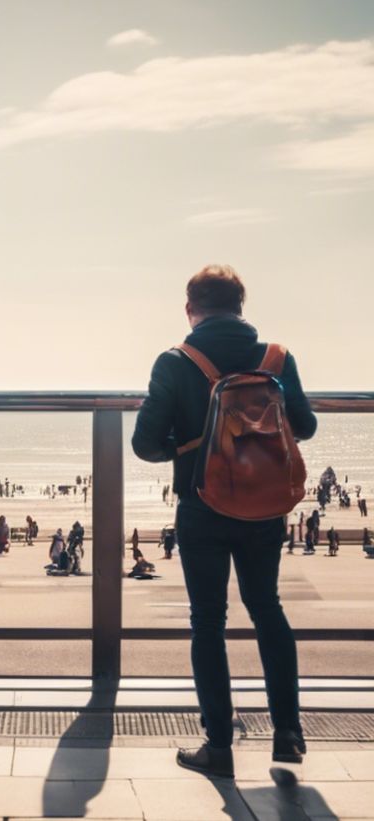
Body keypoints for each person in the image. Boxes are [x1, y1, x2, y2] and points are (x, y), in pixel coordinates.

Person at [132, 265, 316, 778]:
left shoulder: (176, 360)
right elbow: (305, 424)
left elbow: (144, 444)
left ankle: (219, 745)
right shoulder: (275, 358)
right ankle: (288, 732)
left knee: (208, 622)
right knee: (267, 610)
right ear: (241, 306)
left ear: (191, 308)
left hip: (203, 504)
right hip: (266, 505)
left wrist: (190, 448)